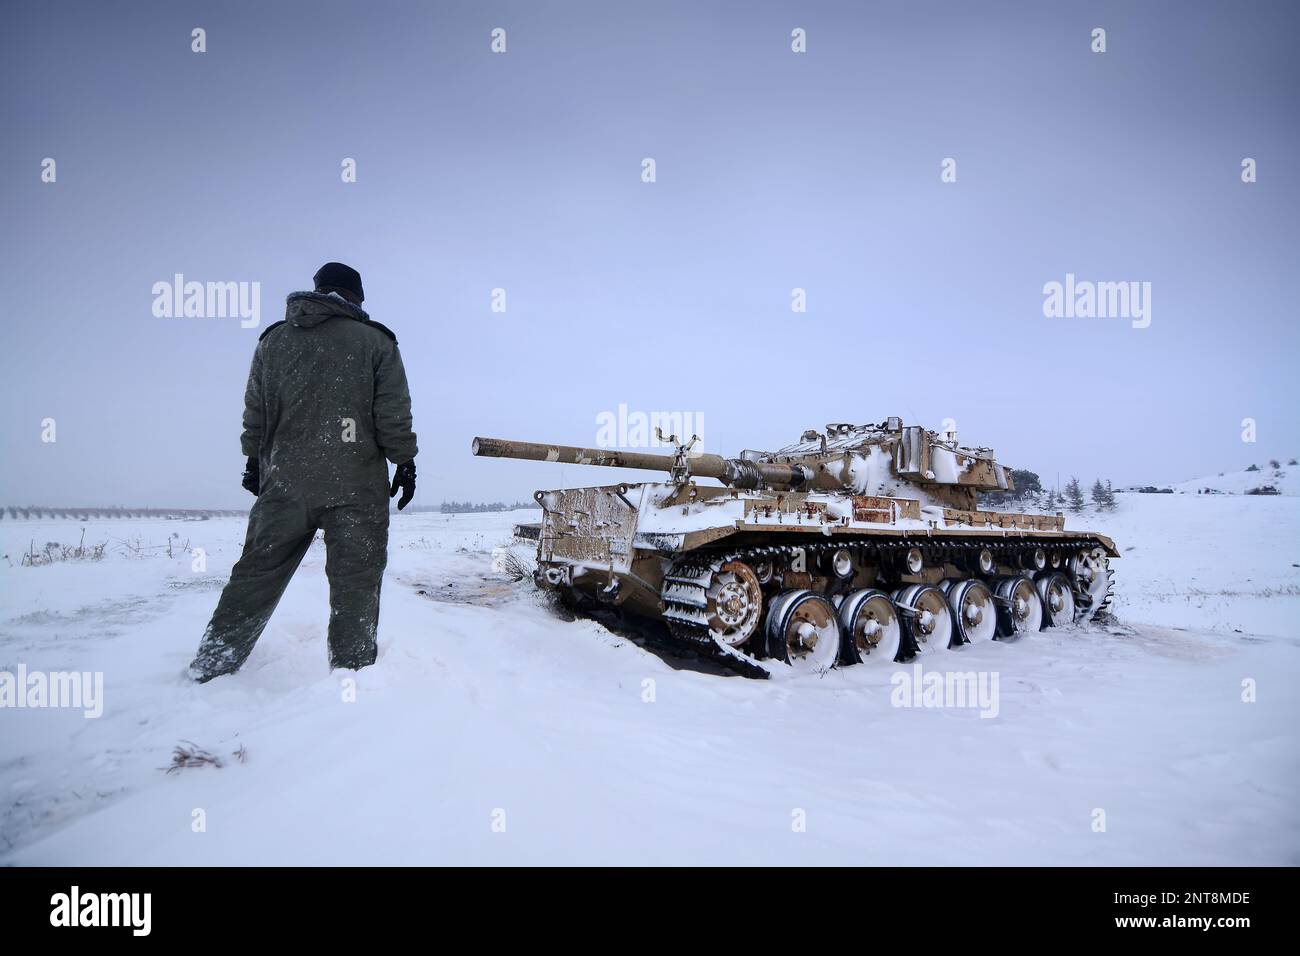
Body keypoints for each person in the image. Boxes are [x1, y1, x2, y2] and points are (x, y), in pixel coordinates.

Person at [188, 262, 417, 682]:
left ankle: (212, 665)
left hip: (285, 483)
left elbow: (255, 412)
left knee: (256, 575)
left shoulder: (273, 342)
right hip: (356, 486)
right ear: (356, 298)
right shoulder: (376, 342)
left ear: (317, 292)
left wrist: (254, 460)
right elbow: (392, 415)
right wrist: (404, 461)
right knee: (355, 584)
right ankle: (351, 676)